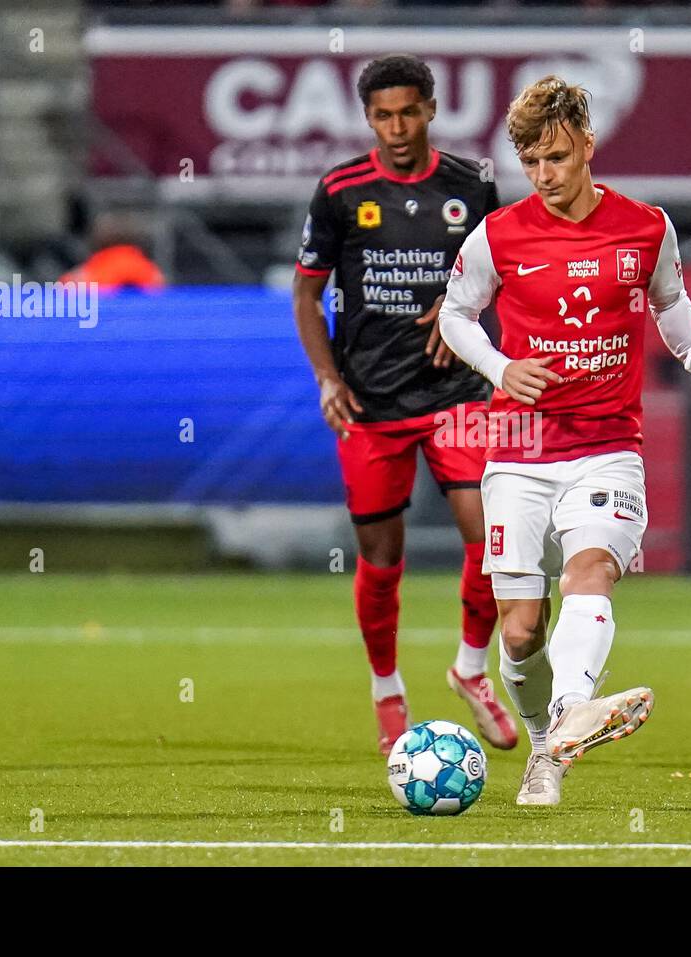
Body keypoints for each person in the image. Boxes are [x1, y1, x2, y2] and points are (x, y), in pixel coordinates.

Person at [438, 75, 691, 805]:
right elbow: (455, 316)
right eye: (532, 162)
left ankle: (573, 707)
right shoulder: (499, 235)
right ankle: (546, 745)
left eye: (557, 159)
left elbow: (671, 302)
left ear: (587, 145)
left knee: (591, 569)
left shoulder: (645, 227)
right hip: (518, 451)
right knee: (517, 631)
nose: (544, 177)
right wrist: (505, 366)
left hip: (608, 444)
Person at [291, 54, 517, 755]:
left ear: (430, 109)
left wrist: (463, 317)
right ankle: (386, 686)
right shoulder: (340, 190)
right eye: (382, 115)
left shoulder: (473, 185)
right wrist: (329, 379)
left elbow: (503, 272)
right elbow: (306, 293)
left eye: (408, 111)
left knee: (490, 534)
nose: (396, 126)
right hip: (371, 400)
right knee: (381, 555)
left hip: (455, 394)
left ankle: (472, 670)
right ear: (367, 118)